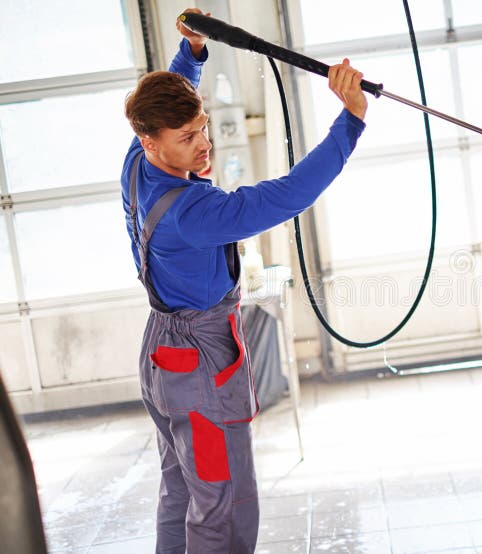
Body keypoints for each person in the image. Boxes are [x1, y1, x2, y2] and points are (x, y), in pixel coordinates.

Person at [120, 8, 367, 553]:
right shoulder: (193, 211)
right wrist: (349, 121)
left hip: (161, 355)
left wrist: (193, 51)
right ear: (151, 141)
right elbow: (287, 195)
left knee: (181, 492)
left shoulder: (137, 165)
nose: (203, 144)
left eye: (203, 128)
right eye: (188, 138)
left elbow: (175, 95)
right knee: (220, 504)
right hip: (199, 368)